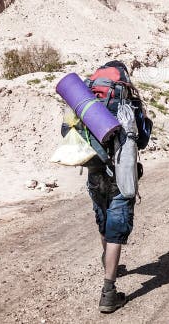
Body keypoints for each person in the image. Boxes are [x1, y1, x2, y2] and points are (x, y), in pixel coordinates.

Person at [61, 60, 148, 313]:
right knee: (116, 230)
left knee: (103, 218)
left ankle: (107, 261)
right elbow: (142, 140)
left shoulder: (87, 101)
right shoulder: (128, 101)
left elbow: (66, 130)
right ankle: (109, 292)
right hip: (121, 175)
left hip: (94, 171)